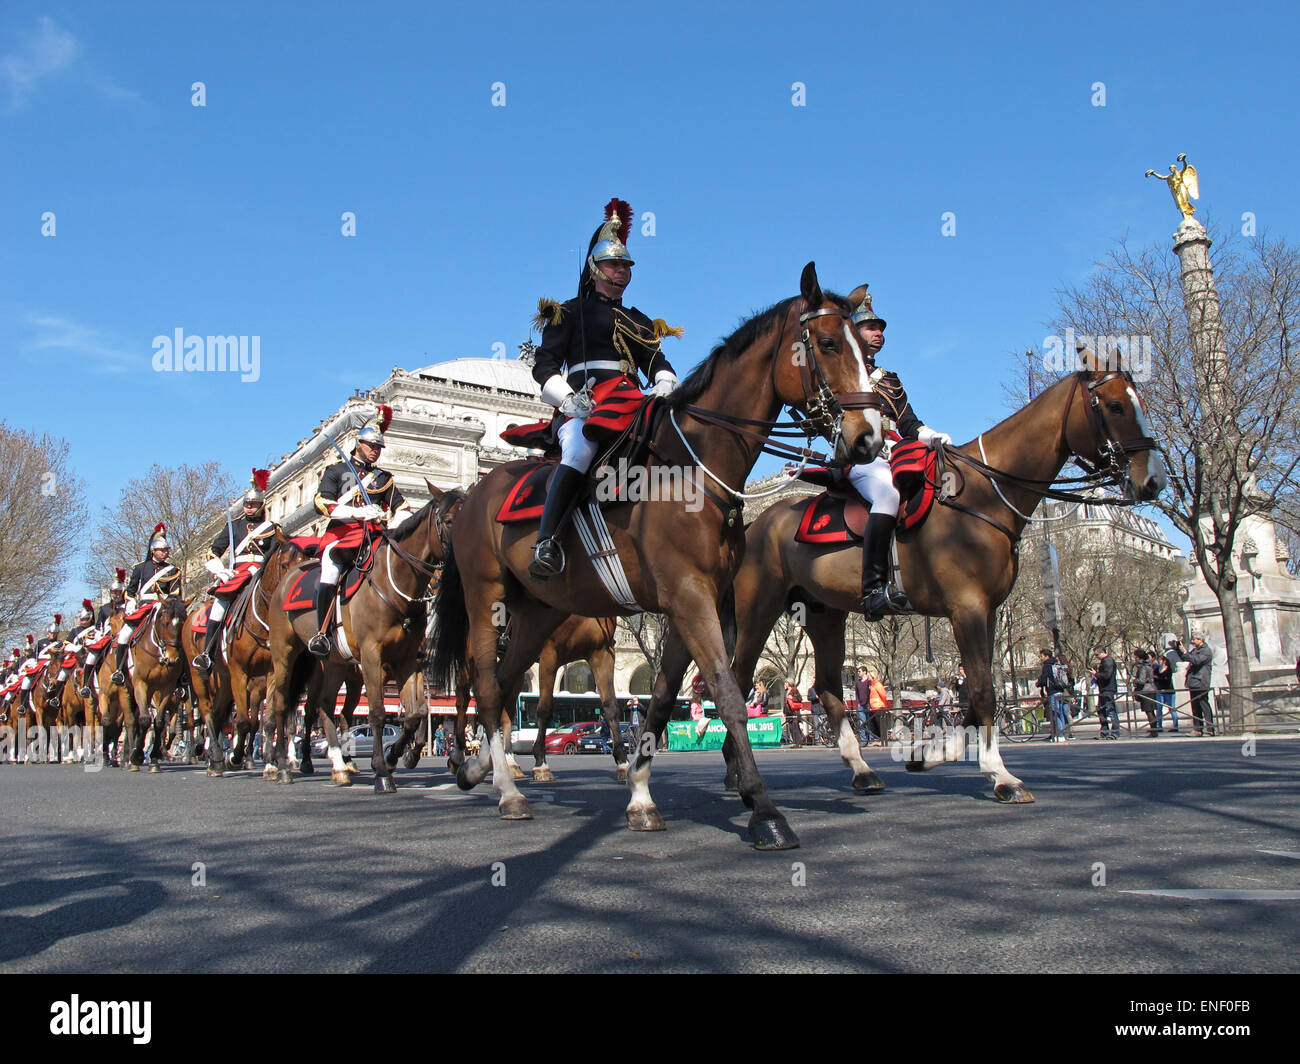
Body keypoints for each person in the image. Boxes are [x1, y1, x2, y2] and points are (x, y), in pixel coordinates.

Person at [527, 197, 680, 578]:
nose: (622, 270)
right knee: (579, 450)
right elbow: (544, 365)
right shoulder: (568, 311)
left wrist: (663, 378)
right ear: (595, 268)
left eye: (626, 264)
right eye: (614, 263)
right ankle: (547, 541)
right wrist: (567, 400)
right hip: (586, 402)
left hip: (631, 400)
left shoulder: (640, 319)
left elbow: (655, 360)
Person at [843, 286, 951, 618]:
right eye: (871, 327)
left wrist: (929, 435)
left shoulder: (890, 380)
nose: (879, 334)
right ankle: (873, 589)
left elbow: (909, 422)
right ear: (854, 332)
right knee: (888, 496)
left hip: (896, 453)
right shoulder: (843, 374)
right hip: (863, 458)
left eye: (880, 329)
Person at [309, 408, 411, 657]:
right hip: (343, 534)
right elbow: (321, 502)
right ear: (359, 444)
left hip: (375, 535)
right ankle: (323, 633)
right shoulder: (336, 471)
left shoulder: (384, 478)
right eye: (371, 445)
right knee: (331, 573)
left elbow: (402, 506)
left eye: (378, 447)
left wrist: (399, 521)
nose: (375, 450)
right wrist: (356, 513)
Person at [193, 470, 276, 671]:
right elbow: (212, 553)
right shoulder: (234, 527)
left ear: (261, 505)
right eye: (247, 504)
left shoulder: (271, 527)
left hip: (261, 573)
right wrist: (221, 571)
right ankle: (207, 653)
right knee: (220, 606)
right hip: (238, 574)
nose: (249, 508)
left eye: (253, 504)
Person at [111, 524, 183, 685]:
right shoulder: (140, 568)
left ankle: (182, 676)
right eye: (162, 550)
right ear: (153, 551)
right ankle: (120, 671)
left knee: (179, 633)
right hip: (144, 607)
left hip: (164, 607)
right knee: (123, 635)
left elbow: (176, 592)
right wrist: (130, 603)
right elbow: (130, 592)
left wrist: (169, 604)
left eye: (166, 550)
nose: (165, 553)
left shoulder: (173, 570)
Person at [1176, 632, 1216, 736]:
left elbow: (1196, 661)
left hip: (1201, 681)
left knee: (1204, 705)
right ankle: (1197, 729)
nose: (1192, 641)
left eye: (1194, 639)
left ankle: (1210, 728)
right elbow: (1187, 658)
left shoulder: (1206, 651)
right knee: (1195, 706)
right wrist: (1179, 650)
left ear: (1200, 640)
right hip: (1193, 681)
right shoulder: (1196, 650)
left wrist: (1185, 652)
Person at [1037, 648, 1069, 742]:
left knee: (1055, 713)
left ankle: (1060, 735)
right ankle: (1062, 733)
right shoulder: (1056, 664)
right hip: (1060, 690)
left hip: (1053, 691)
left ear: (1046, 656)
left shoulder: (1047, 665)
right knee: (1061, 714)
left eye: (1042, 656)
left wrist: (1038, 684)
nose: (1041, 658)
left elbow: (1044, 679)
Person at [1092, 645, 1119, 740]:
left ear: (1102, 652)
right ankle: (1104, 732)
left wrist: (1096, 674)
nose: (1096, 657)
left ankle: (1115, 732)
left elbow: (1107, 675)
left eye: (1096, 655)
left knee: (1110, 711)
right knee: (1101, 710)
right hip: (1104, 688)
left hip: (1108, 688)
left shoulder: (1108, 661)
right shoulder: (1105, 661)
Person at [1132, 649, 1160, 736]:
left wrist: (1134, 680)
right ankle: (1154, 729)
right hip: (1150, 689)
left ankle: (1154, 730)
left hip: (1147, 690)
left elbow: (1142, 680)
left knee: (1149, 711)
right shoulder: (1148, 665)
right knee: (1150, 711)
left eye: (1135, 657)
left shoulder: (1143, 667)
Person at [1154, 642, 1177, 732]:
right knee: (1159, 709)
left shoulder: (1168, 669)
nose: (1159, 662)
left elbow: (1167, 679)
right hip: (1160, 691)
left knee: (1172, 708)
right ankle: (1159, 725)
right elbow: (1155, 678)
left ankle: (1175, 725)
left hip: (1169, 691)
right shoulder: (1156, 669)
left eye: (1160, 660)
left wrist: (1159, 678)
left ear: (1164, 661)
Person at [854, 666, 875, 742]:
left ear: (864, 672)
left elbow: (871, 692)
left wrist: (869, 702)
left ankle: (871, 737)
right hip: (861, 705)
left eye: (859, 671)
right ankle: (863, 739)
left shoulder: (869, 682)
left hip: (868, 704)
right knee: (862, 722)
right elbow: (857, 694)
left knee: (869, 722)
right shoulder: (858, 682)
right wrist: (858, 703)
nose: (858, 673)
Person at [783, 680, 804, 746]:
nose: (785, 684)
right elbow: (785, 703)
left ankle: (799, 742)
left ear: (789, 683)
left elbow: (800, 698)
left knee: (795, 727)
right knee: (791, 728)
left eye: (786, 682)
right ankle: (795, 742)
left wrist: (792, 698)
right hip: (788, 712)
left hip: (795, 712)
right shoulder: (786, 692)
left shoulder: (794, 690)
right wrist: (784, 712)